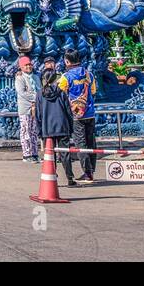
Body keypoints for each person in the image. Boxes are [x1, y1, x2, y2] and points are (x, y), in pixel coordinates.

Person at [57, 48, 98, 184]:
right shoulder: (89, 75)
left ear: (67, 61)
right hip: (90, 113)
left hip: (76, 116)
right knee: (91, 141)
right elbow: (93, 91)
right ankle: (91, 170)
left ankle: (87, 173)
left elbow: (59, 94)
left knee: (81, 144)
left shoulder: (65, 77)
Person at [35, 66, 75, 183]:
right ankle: (70, 178)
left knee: (50, 155)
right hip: (62, 126)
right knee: (65, 154)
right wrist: (70, 127)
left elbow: (38, 114)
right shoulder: (61, 93)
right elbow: (68, 111)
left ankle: (52, 176)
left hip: (48, 128)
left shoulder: (39, 94)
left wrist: (39, 131)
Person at [14, 56, 41, 162]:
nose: (29, 66)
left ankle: (34, 153)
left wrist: (37, 97)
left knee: (34, 131)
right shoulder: (20, 78)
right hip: (25, 108)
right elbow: (22, 93)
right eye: (26, 65)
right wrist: (36, 97)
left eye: (30, 64)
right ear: (21, 67)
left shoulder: (36, 77)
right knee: (26, 131)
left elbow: (40, 90)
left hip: (36, 108)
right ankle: (26, 154)